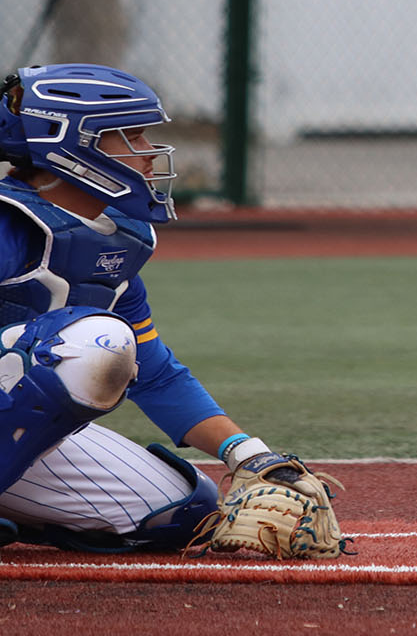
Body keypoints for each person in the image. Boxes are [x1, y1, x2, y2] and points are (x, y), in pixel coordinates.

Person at [0, 64, 344, 557]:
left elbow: (155, 373)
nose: (148, 153)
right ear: (68, 144)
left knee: (182, 511)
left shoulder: (106, 243)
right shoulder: (9, 223)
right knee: (90, 344)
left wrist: (249, 454)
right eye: (128, 136)